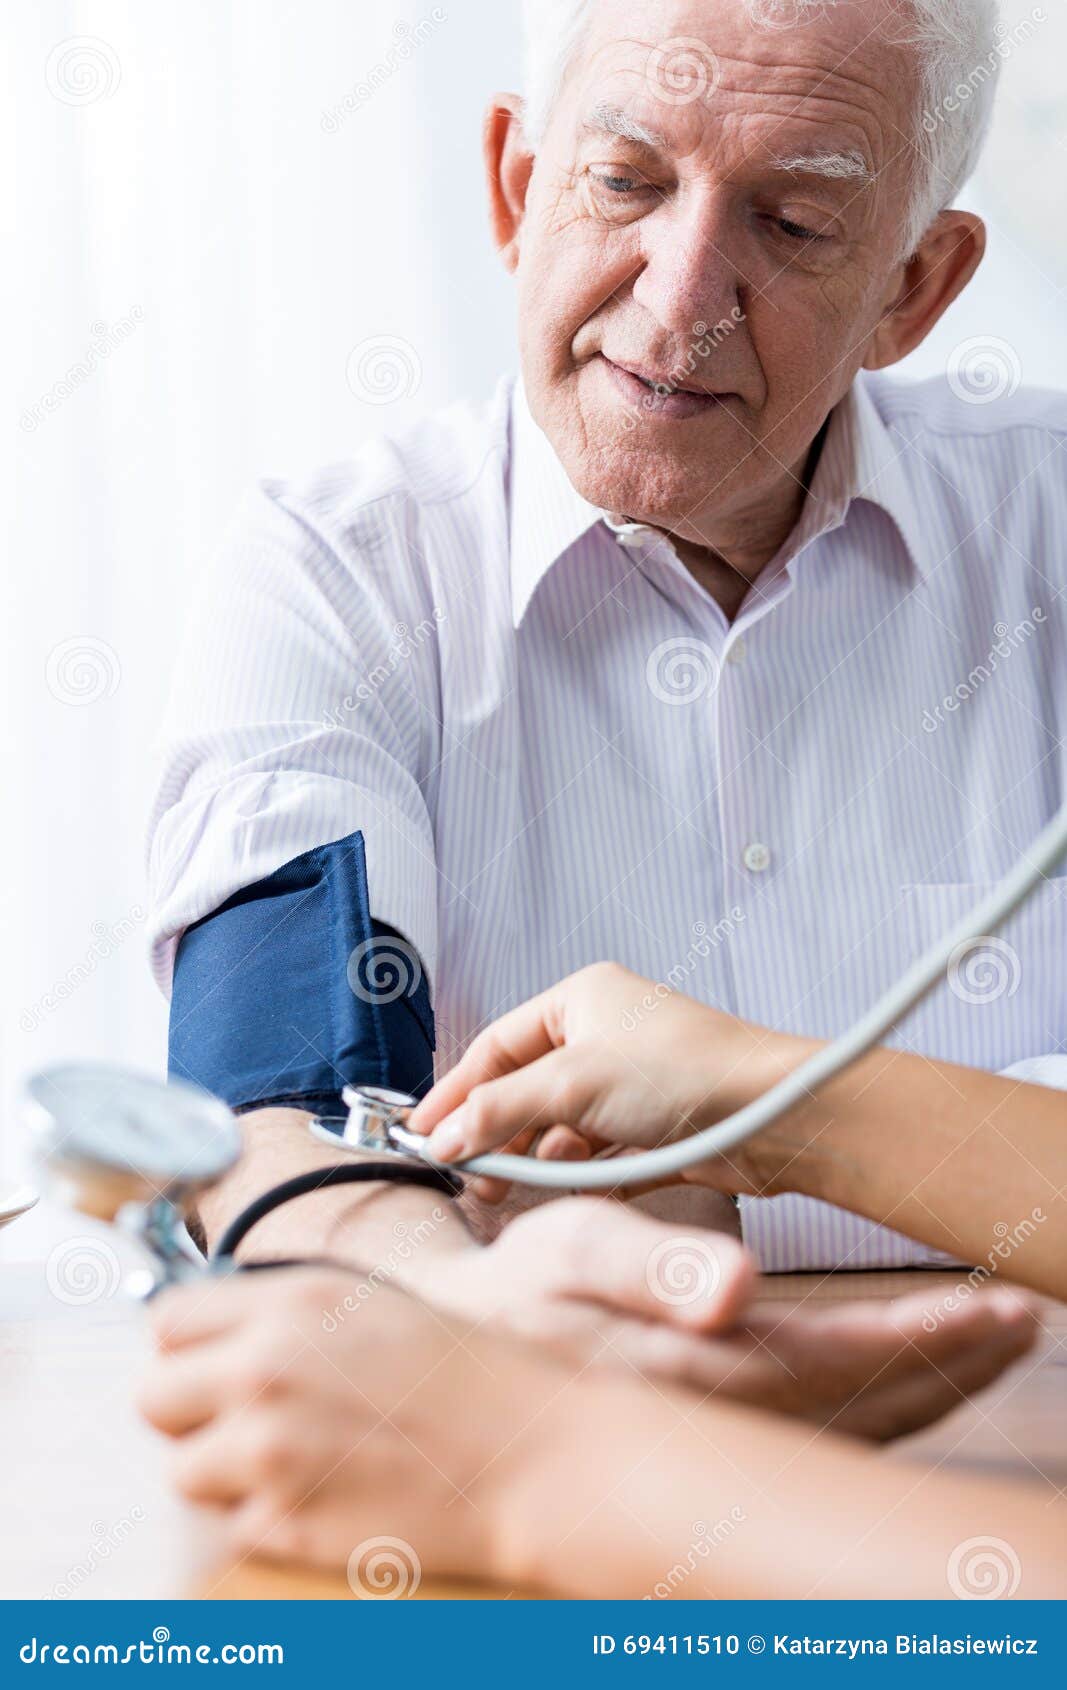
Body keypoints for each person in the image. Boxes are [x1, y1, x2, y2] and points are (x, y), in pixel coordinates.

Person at [147, 0, 1067, 1378]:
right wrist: (486, 1318)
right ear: (519, 187)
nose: (682, 298)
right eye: (625, 182)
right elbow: (275, 1124)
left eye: (795, 224)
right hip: (507, 1474)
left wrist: (752, 1109)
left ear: (915, 290)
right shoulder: (335, 576)